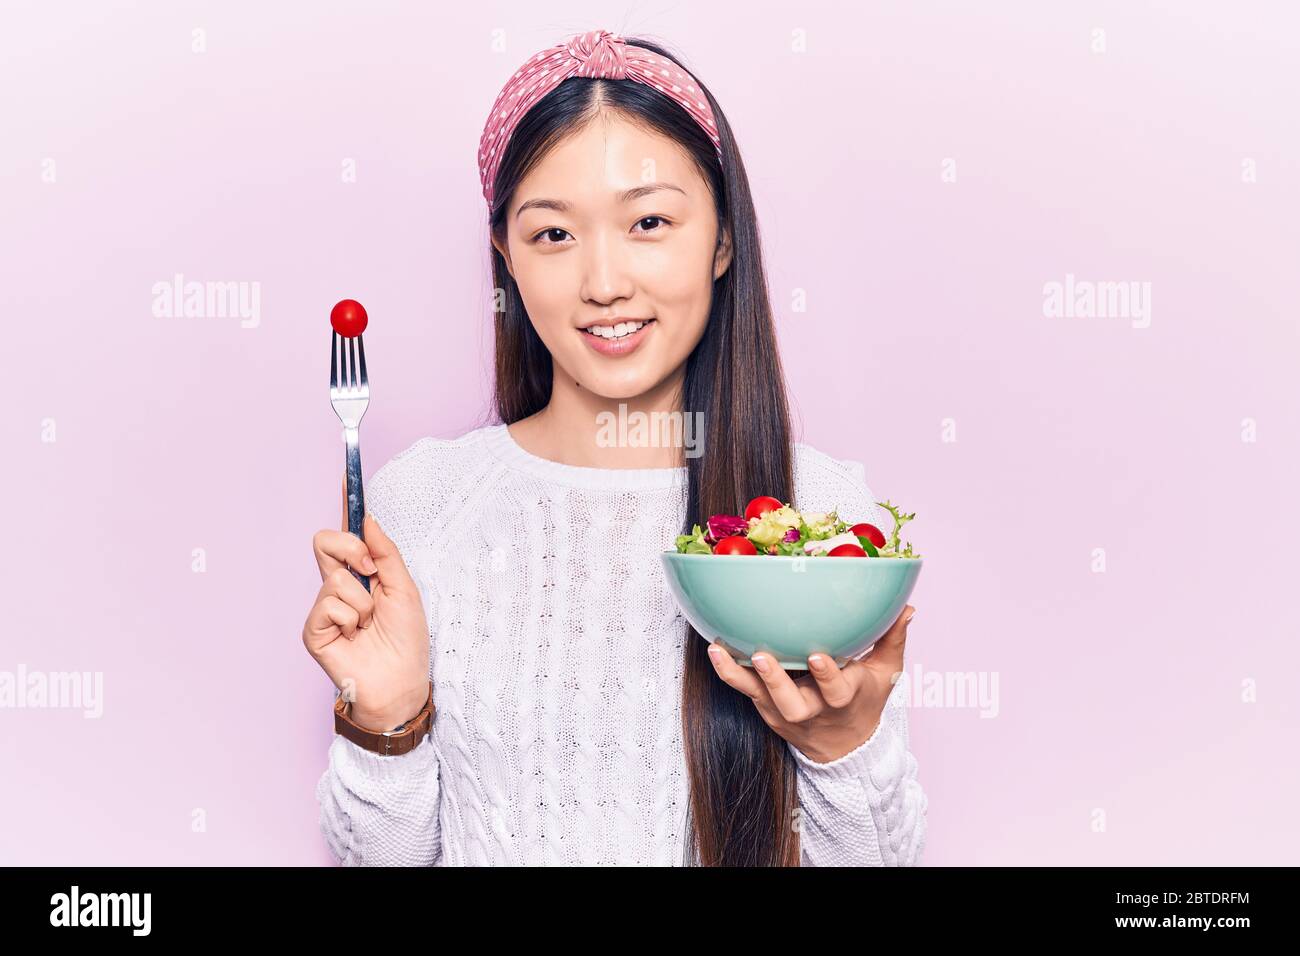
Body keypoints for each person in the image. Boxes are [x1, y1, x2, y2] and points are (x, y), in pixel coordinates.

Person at [307, 28, 926, 866]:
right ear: (507, 257)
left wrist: (843, 746)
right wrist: (386, 723)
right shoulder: (421, 505)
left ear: (721, 239)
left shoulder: (821, 523)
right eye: (553, 234)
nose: (604, 282)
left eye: (649, 222)